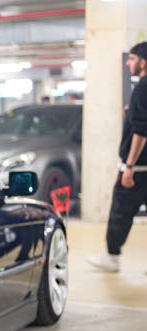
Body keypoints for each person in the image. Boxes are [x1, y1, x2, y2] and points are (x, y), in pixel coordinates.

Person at [88, 42, 147, 273]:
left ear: (143, 61)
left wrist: (129, 166)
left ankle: (112, 258)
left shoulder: (142, 87)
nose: (128, 63)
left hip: (138, 168)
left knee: (120, 212)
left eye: (132, 59)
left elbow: (142, 131)